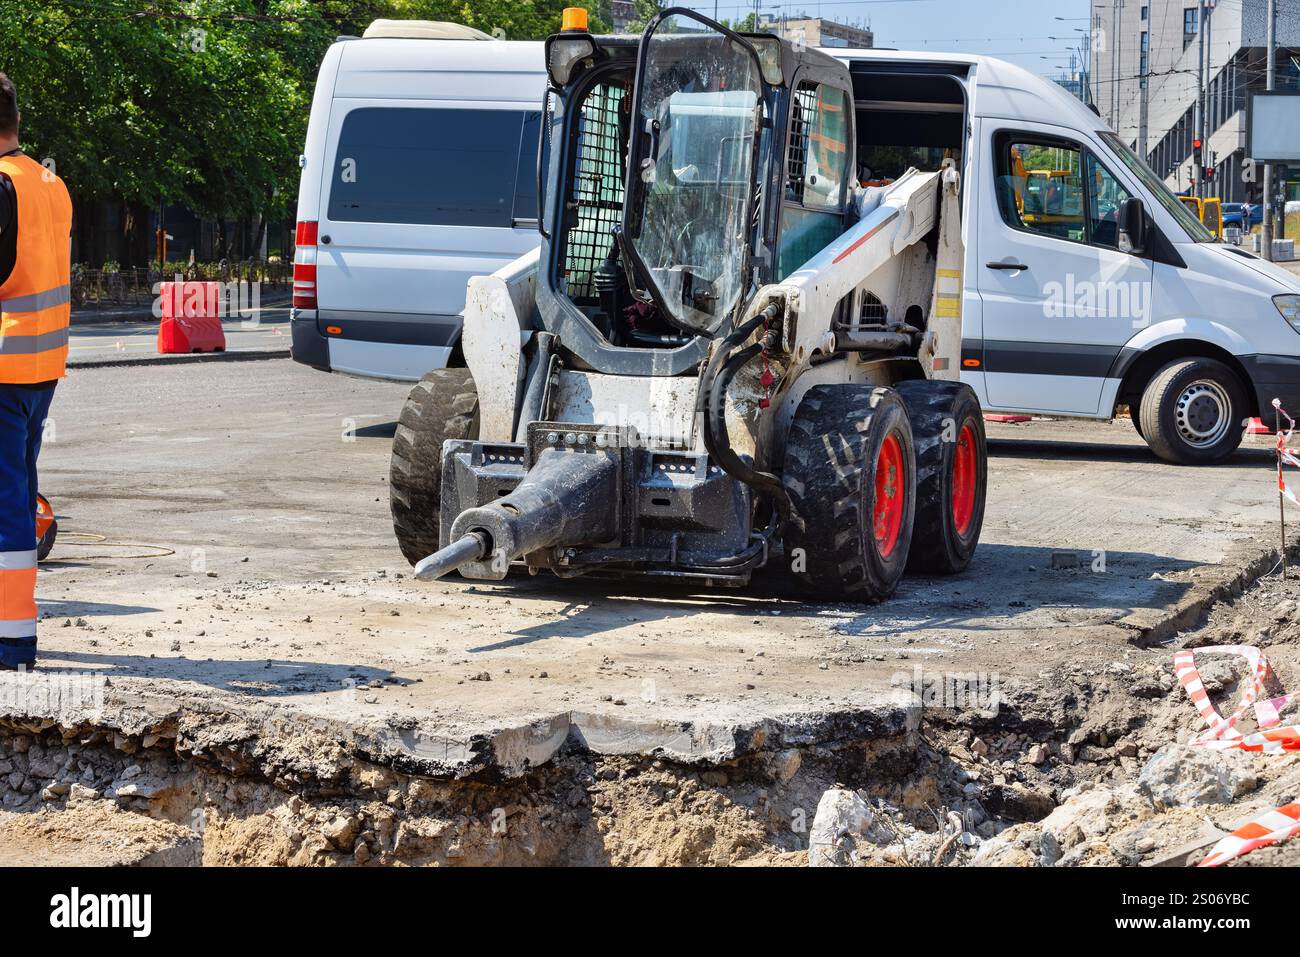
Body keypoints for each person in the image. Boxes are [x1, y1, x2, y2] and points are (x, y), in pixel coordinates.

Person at [0, 72, 72, 670]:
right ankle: (15, 634)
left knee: (5, 502)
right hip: (40, 368)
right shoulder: (49, 183)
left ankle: (12, 642)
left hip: (3, 367)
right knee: (16, 496)